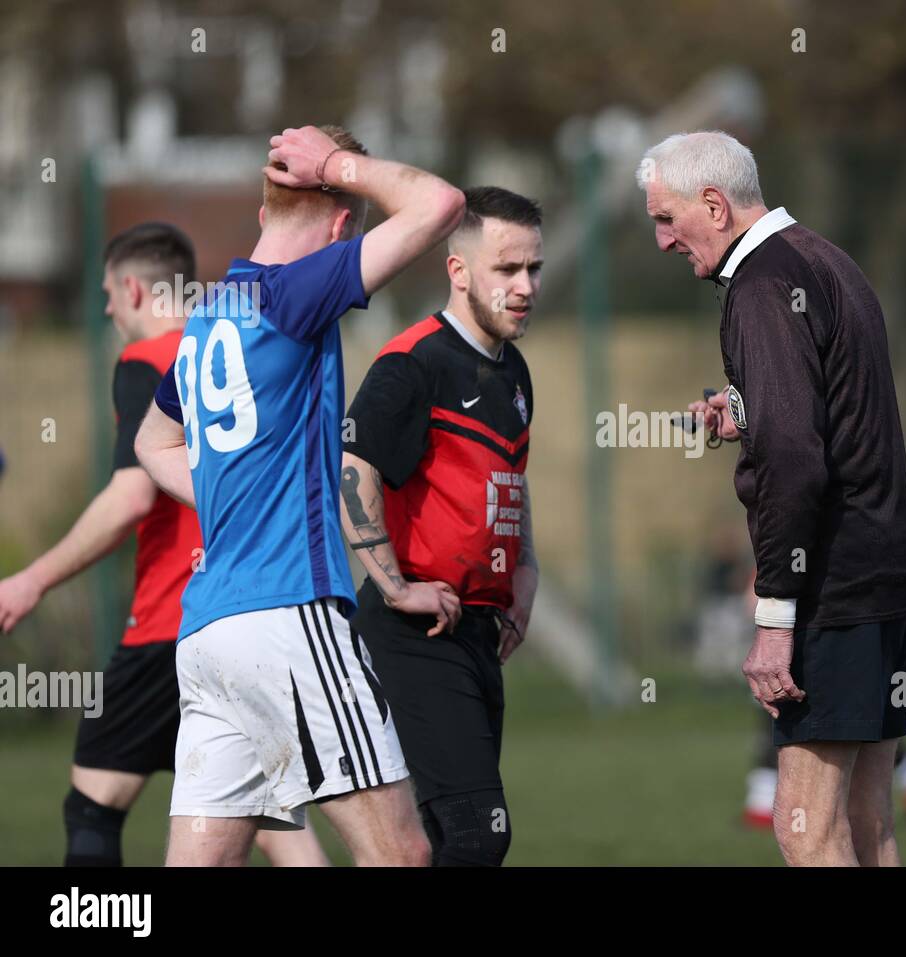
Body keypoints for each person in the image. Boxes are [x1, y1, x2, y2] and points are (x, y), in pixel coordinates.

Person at [133, 125, 466, 866]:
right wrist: (340, 165)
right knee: (403, 854)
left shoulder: (210, 316)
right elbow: (441, 203)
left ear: (260, 214)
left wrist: (232, 493)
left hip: (209, 635)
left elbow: (150, 443)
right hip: (287, 616)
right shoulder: (295, 292)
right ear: (344, 224)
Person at [638, 131, 906, 866]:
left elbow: (796, 458)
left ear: (714, 204)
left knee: (803, 825)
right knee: (868, 823)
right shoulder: (825, 258)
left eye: (667, 220)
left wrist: (772, 615)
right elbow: (824, 411)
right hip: (888, 570)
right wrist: (749, 409)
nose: (663, 241)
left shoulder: (761, 282)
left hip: (835, 583)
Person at [0, 223, 327, 866]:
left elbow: (132, 495)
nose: (105, 311)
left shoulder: (147, 363)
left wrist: (30, 579)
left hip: (170, 621)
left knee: (93, 801)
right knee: (266, 814)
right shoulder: (237, 348)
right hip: (258, 605)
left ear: (130, 288)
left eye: (107, 295)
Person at [340, 186, 541, 866]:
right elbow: (351, 470)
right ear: (459, 271)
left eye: (533, 269)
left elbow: (508, 477)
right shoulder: (413, 362)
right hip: (414, 634)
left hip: (478, 631)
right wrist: (395, 587)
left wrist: (525, 575)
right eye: (506, 269)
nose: (525, 286)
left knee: (435, 841)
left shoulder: (514, 371)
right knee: (476, 833)